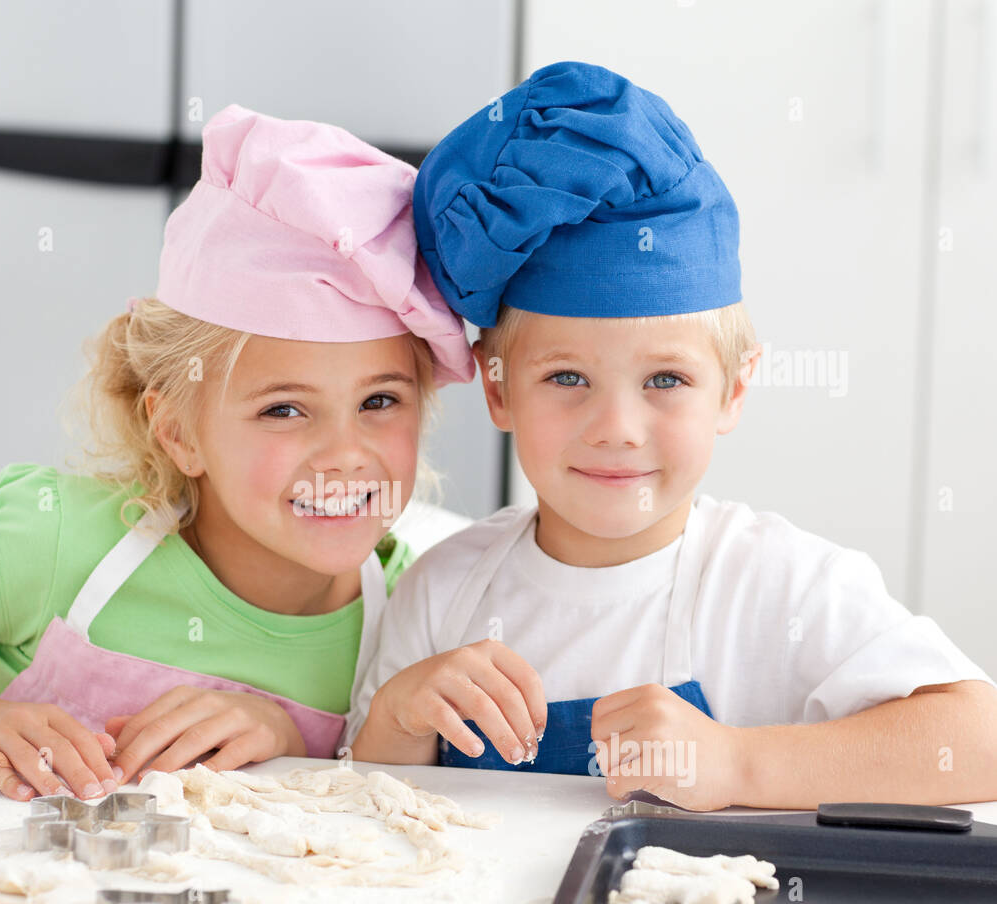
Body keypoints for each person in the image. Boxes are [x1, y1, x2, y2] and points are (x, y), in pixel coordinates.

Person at [345, 62, 997, 811]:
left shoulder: (779, 587)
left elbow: (978, 739)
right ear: (498, 388)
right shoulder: (444, 592)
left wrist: (740, 764)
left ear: (734, 388)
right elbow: (362, 807)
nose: (617, 430)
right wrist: (399, 716)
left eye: (665, 381)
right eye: (566, 378)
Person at [0, 104, 473, 802]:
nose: (345, 455)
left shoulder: (419, 615)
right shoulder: (55, 540)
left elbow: (382, 816)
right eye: (283, 410)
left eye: (379, 401)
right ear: (178, 431)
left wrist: (288, 742)